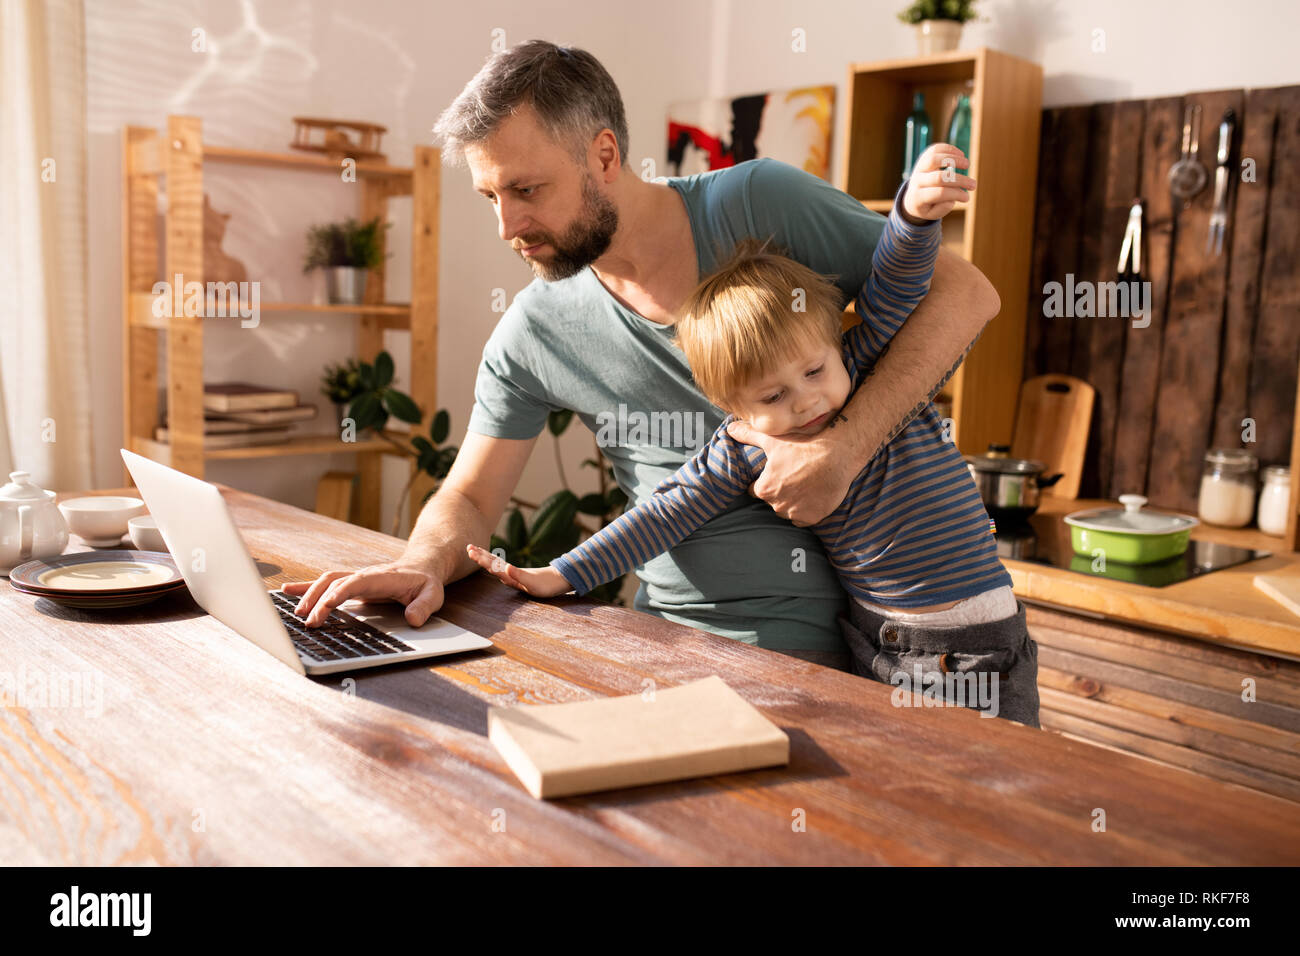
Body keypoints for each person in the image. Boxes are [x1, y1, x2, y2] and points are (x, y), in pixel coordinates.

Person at [285, 40, 1002, 669]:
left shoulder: (761, 203)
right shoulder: (536, 328)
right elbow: (471, 495)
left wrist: (843, 451)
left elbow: (964, 294)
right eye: (490, 196)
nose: (509, 225)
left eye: (526, 189)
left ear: (604, 155)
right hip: (659, 641)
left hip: (836, 649)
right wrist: (420, 565)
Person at [463, 143, 1039, 726]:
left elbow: (898, 285)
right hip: (879, 643)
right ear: (730, 406)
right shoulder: (744, 448)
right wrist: (561, 574)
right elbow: (663, 516)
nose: (807, 398)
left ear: (832, 348)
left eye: (813, 371)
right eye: (772, 396)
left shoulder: (859, 363)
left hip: (980, 636)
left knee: (1006, 798)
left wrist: (914, 216)